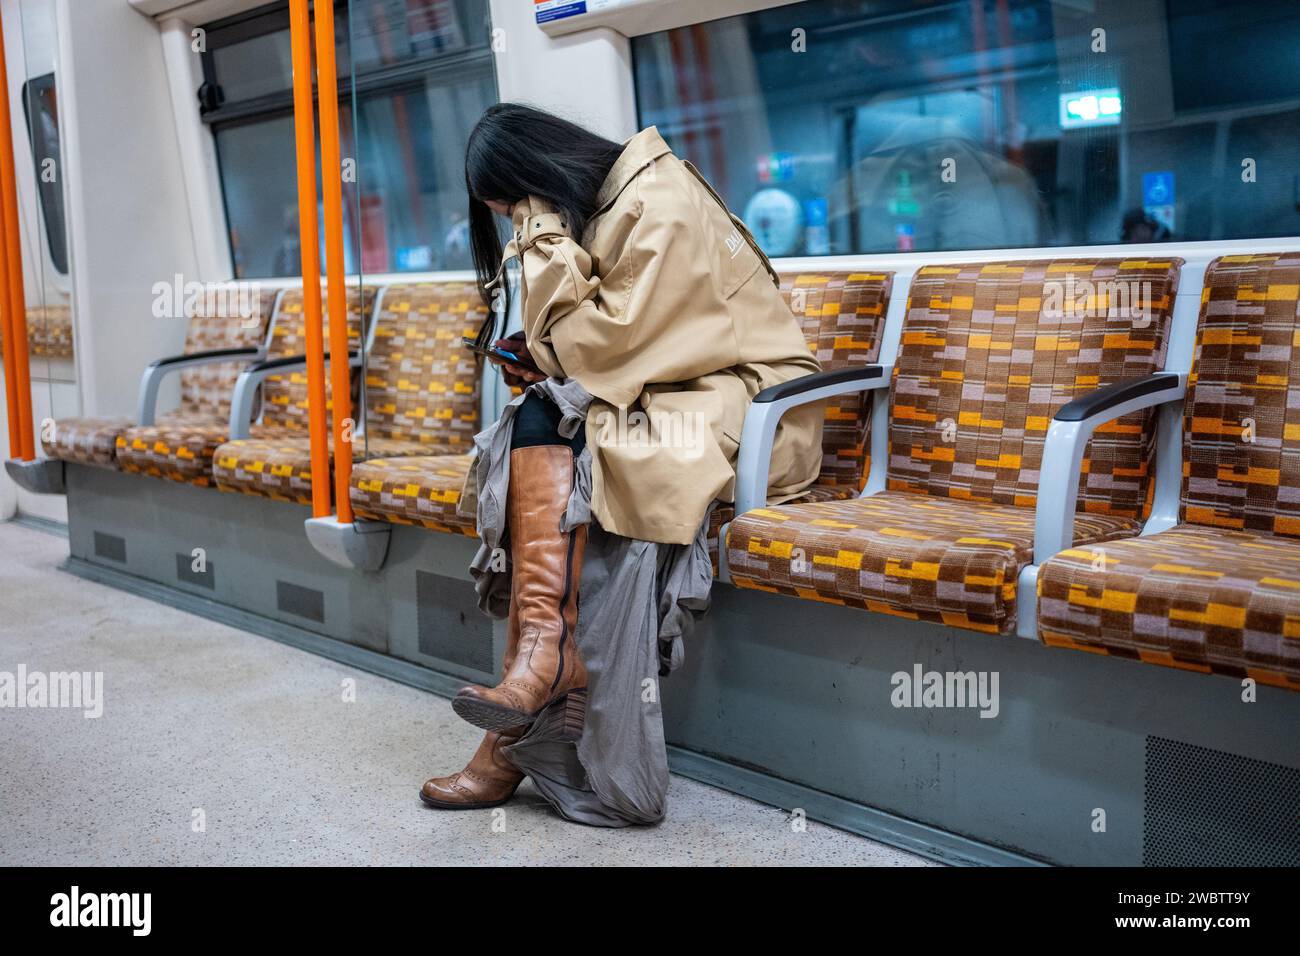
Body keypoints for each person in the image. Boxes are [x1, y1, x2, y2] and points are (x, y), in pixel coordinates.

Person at [419, 103, 824, 818]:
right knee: (537, 429)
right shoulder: (614, 207)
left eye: (516, 208)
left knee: (558, 443)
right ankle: (541, 661)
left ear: (537, 181)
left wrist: (540, 236)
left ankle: (524, 705)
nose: (521, 224)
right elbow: (602, 348)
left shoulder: (656, 200)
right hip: (679, 390)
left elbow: (596, 351)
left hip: (754, 406)